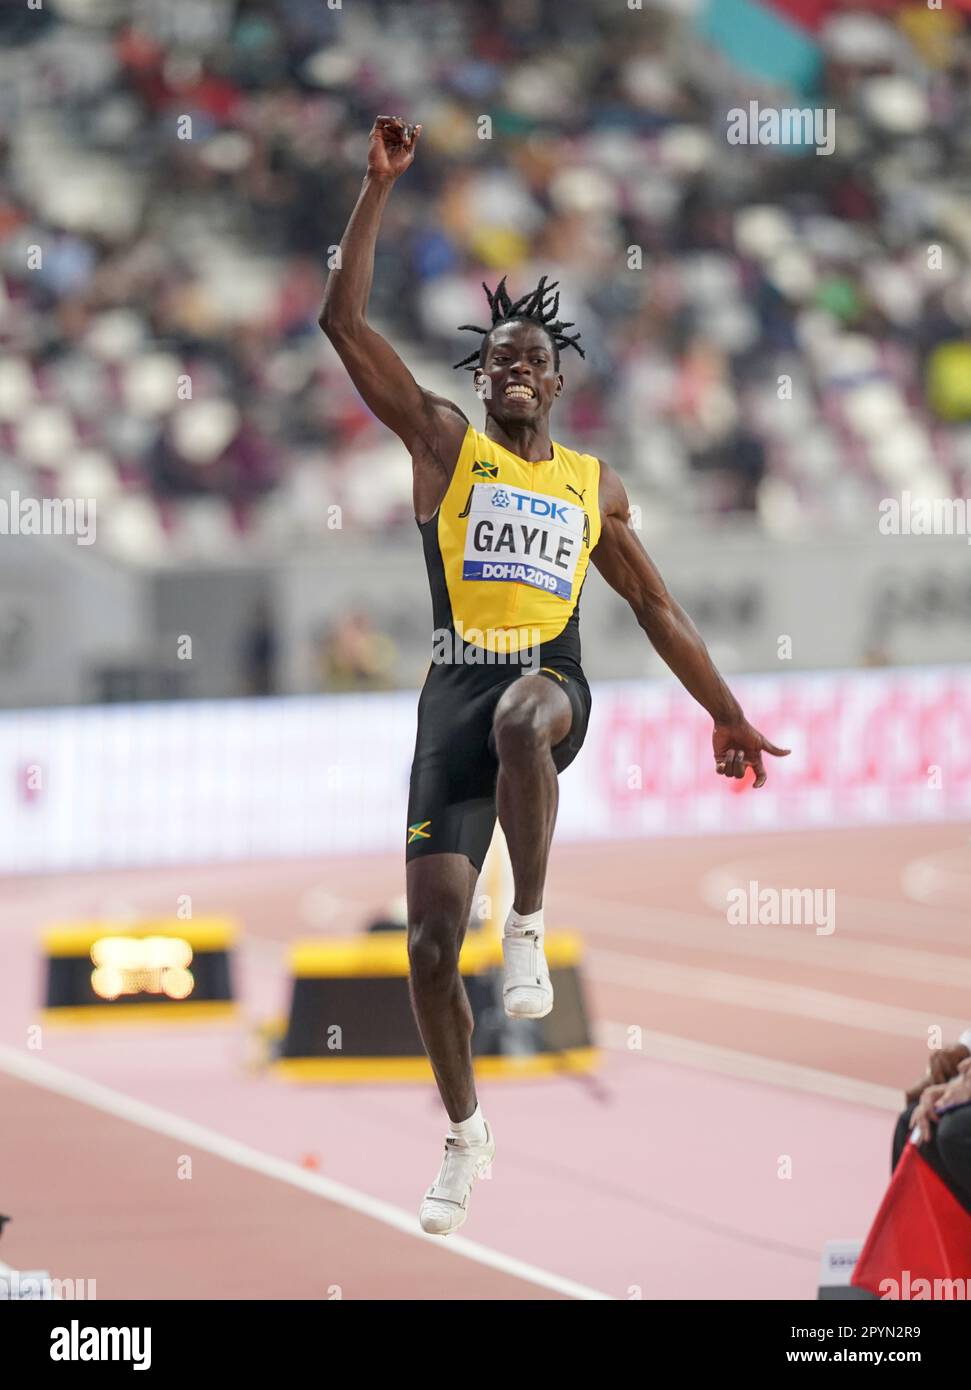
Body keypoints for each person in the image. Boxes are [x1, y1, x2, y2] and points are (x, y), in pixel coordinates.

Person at [318, 116, 789, 1235]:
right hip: (450, 708)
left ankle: (523, 919)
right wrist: (374, 185)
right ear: (477, 380)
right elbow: (341, 321)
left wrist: (723, 711)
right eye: (498, 360)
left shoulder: (590, 486)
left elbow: (656, 605)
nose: (515, 370)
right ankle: (464, 1133)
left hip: (544, 689)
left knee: (527, 717)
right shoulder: (443, 446)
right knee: (430, 951)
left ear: (557, 381)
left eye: (534, 359)